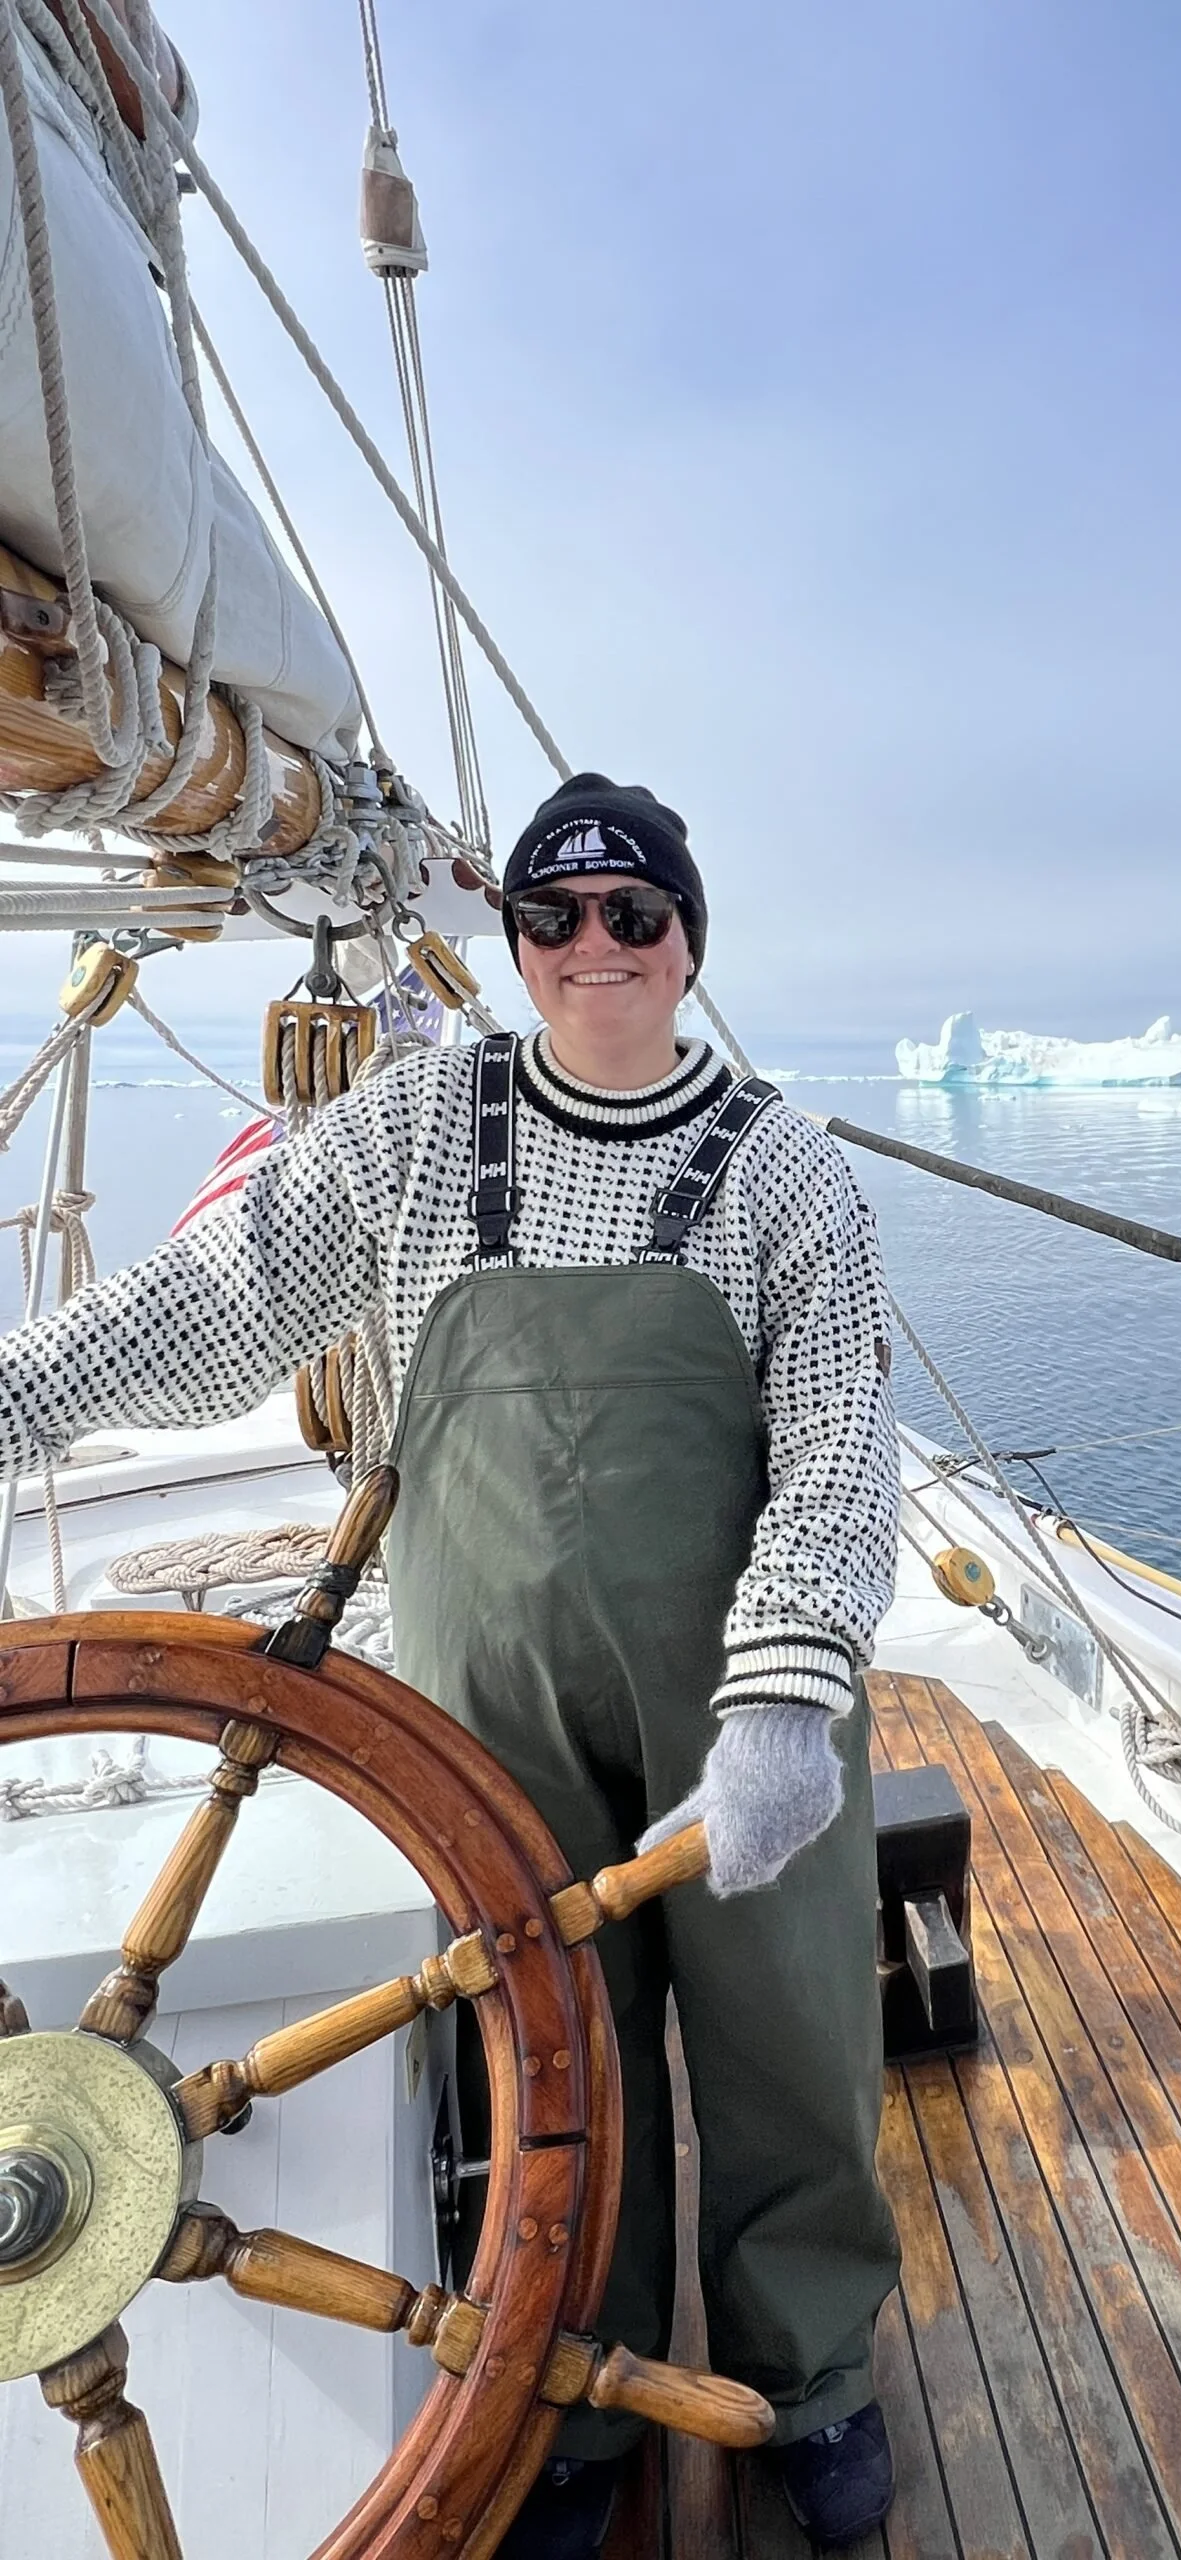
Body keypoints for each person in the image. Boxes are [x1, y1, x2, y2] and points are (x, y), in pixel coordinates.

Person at [0, 776, 903, 2555]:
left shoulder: (791, 1171)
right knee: (555, 2055)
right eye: (553, 919)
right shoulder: (418, 1130)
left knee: (789, 2037)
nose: (592, 951)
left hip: (742, 1699)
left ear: (686, 941)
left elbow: (837, 1448)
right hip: (492, 1701)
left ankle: (813, 2381)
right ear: (516, 944)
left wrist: (792, 1694)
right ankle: (578, 2384)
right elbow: (215, 1303)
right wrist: (16, 1395)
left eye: (632, 915)